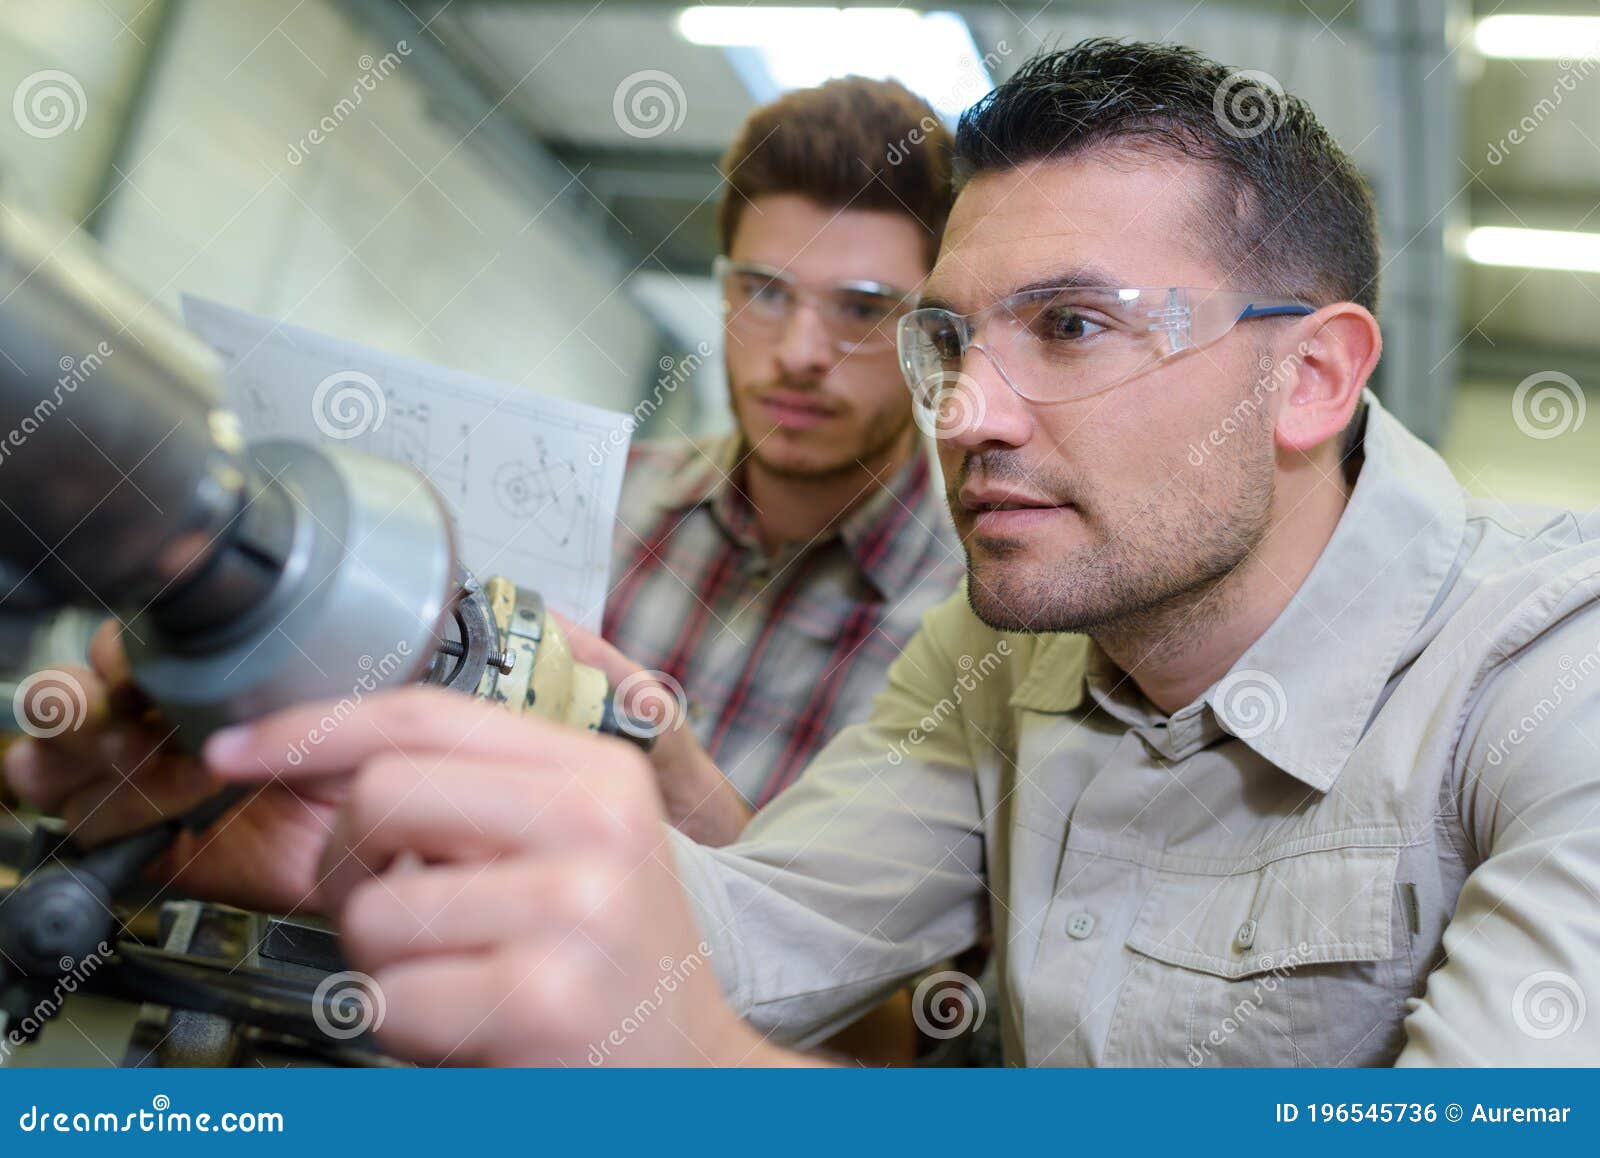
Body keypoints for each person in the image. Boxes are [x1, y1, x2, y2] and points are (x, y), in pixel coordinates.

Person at [9, 39, 1600, 1067]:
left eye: (1068, 328)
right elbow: (758, 934)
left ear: (1310, 378)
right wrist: (364, 839)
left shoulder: (1550, 673)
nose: (964, 413)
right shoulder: (1003, 646)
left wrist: (696, 1067)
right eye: (947, 340)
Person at [601, 77, 963, 846]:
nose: (800, 355)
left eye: (863, 309)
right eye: (764, 293)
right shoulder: (598, 502)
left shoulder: (985, 627)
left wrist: (679, 782)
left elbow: (906, 963)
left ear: (933, 334)